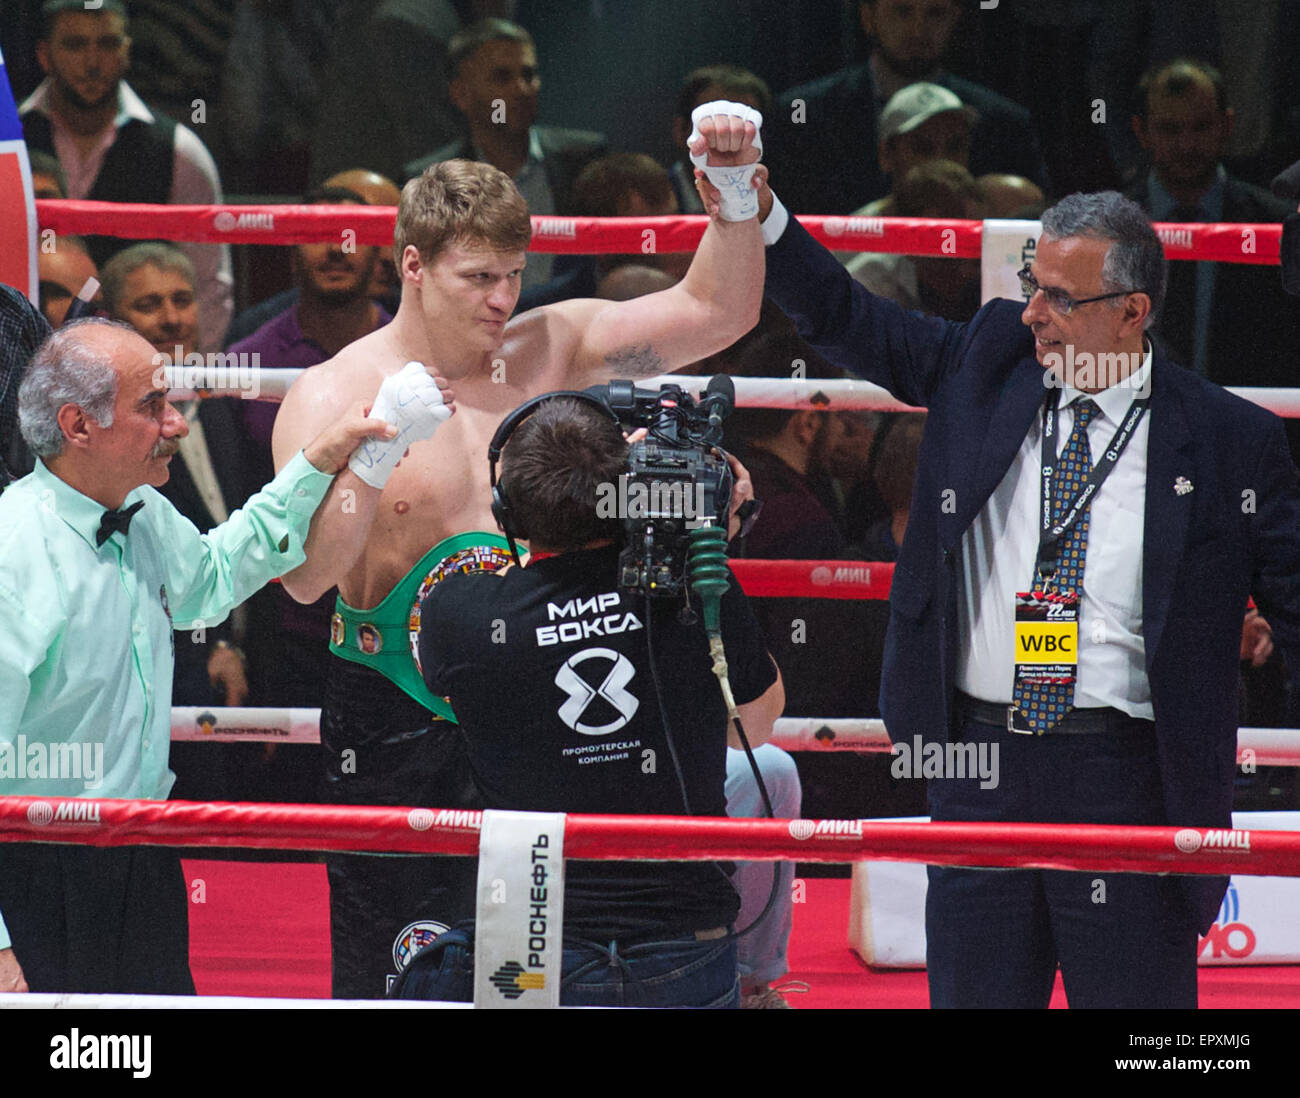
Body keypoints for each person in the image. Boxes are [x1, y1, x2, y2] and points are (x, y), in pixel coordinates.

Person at [718, 166, 1300, 1007]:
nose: (1033, 311)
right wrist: (756, 207)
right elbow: (846, 316)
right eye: (1034, 285)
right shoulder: (986, 362)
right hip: (978, 764)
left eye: (1061, 297)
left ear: (1132, 311)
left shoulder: (1226, 440)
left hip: (1131, 779)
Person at [271, 105, 767, 998]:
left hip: (545, 708)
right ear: (413, 267)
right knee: (396, 969)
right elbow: (306, 580)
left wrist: (734, 194)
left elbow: (716, 308)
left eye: (512, 273)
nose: (502, 298)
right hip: (395, 721)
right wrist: (374, 455)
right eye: (477, 278)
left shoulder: (550, 349)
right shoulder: (327, 394)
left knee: (539, 970)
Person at [0, 316, 447, 995]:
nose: (177, 424)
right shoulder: (12, 552)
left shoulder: (141, 510)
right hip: (33, 870)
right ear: (77, 425)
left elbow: (211, 579)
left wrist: (324, 456)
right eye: (152, 407)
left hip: (141, 857)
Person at [409, 396, 783, 1007]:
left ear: (508, 511)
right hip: (686, 949)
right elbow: (760, 724)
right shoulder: (694, 582)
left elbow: (448, 690)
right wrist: (705, 534)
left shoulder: (462, 613)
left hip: (534, 952)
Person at [19, 0, 234, 351]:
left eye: (106, 44)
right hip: (26, 363)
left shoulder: (179, 151)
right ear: (44, 55)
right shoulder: (8, 147)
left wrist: (187, 385)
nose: (92, 63)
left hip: (146, 374)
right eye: (75, 45)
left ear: (126, 51)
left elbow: (208, 284)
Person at [766, 0, 1047, 214]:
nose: (918, 30)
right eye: (902, 11)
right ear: (868, 16)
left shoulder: (1004, 124)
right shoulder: (804, 116)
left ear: (955, 18)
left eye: (935, 13)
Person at [1127, 58, 1300, 402]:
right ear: (1141, 131)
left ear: (1227, 125)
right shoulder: (1106, 230)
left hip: (1252, 428)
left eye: (1201, 126)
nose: (1187, 144)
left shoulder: (1277, 226)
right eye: (1170, 129)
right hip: (1130, 428)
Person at [401, 18, 608, 291]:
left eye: (528, 75)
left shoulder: (585, 160)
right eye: (502, 78)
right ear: (461, 94)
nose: (521, 89)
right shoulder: (429, 180)